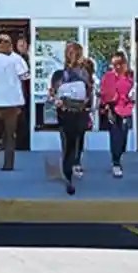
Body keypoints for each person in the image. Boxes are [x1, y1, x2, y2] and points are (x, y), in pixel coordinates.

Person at [0, 33, 30, 170]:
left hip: (5, 102)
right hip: (4, 102)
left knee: (3, 134)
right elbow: (25, 76)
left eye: (4, 42)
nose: (2, 44)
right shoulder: (11, 60)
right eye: (0, 42)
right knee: (1, 134)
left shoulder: (0, 60)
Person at [51, 42, 91, 195]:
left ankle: (70, 169)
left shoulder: (61, 74)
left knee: (70, 141)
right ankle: (72, 167)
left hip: (69, 112)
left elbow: (53, 94)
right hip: (75, 112)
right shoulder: (80, 73)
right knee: (74, 140)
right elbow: (88, 94)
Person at [99, 50, 136, 177]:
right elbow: (104, 92)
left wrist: (131, 98)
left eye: (120, 64)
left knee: (123, 136)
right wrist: (107, 102)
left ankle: (118, 156)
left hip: (126, 109)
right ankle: (116, 162)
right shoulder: (108, 76)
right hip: (113, 109)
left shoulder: (129, 77)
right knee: (115, 136)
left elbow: (131, 92)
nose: (118, 67)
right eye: (115, 64)